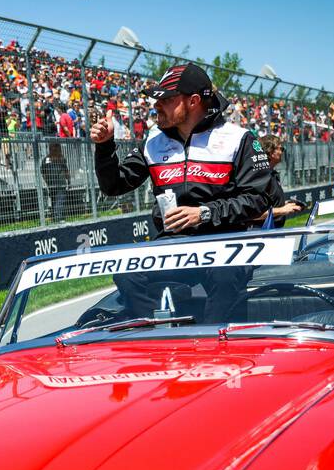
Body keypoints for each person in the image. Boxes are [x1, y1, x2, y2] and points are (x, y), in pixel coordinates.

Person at [91, 62, 277, 321]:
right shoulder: (154, 143)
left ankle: (211, 344)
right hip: (172, 244)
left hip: (225, 242)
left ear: (193, 101)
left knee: (225, 278)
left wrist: (203, 213)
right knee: (127, 274)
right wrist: (104, 147)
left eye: (166, 99)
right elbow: (114, 186)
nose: (156, 106)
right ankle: (163, 336)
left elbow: (260, 199)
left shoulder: (240, 138)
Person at [256, 134, 305, 227]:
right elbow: (252, 214)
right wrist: (283, 210)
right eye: (280, 149)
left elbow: (269, 203)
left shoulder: (273, 174)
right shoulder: (260, 177)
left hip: (275, 230)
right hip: (262, 233)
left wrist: (286, 204)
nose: (282, 152)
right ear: (270, 152)